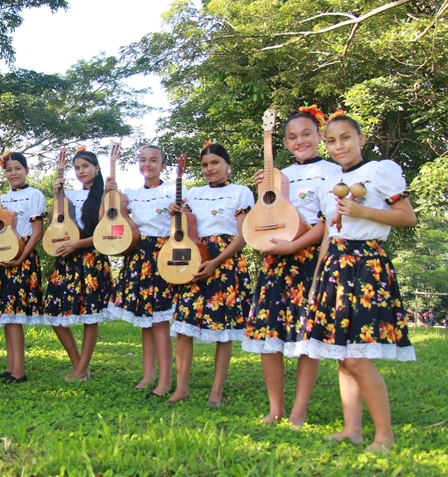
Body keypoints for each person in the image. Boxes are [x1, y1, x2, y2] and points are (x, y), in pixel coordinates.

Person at [302, 112, 416, 452]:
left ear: (361, 139)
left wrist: (364, 212)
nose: (339, 146)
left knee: (356, 356)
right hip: (335, 266)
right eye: (332, 141)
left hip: (365, 264)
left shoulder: (379, 171)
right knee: (341, 353)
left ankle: (385, 435)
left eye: (346, 138)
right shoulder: (329, 181)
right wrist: (317, 278)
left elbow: (407, 216)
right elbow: (328, 234)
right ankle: (352, 429)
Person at [242, 106, 342, 428]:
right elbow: (264, 218)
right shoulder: (278, 174)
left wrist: (295, 246)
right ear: (283, 142)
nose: (300, 141)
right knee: (268, 334)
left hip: (309, 259)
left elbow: (328, 222)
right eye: (292, 136)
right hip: (274, 261)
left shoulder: (332, 172)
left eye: (306, 134)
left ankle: (299, 411)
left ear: (319, 136)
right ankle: (276, 408)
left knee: (304, 339)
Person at [167, 142, 254, 407]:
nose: (210, 169)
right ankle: (181, 388)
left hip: (224, 261)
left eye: (215, 163)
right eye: (205, 165)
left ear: (227, 165)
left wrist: (216, 262)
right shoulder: (193, 193)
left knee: (223, 329)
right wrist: (174, 213)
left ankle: (216, 391)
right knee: (184, 326)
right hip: (194, 258)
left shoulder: (241, 193)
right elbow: (184, 229)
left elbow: (244, 235)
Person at [106, 145, 178, 396]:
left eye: (154, 160)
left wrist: (177, 212)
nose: (147, 164)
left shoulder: (173, 191)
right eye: (143, 160)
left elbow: (185, 223)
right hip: (137, 256)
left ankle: (166, 380)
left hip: (164, 255)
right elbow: (117, 227)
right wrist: (110, 197)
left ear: (163, 165)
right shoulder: (130, 194)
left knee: (160, 322)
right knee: (145, 322)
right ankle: (148, 375)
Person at [43, 147, 113, 382]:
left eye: (85, 166)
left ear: (97, 168)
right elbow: (56, 223)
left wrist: (78, 244)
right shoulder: (69, 195)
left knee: (89, 315)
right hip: (65, 259)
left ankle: (81, 370)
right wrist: (57, 195)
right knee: (53, 312)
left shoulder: (106, 195)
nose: (81, 171)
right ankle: (78, 366)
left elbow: (108, 234)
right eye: (77, 168)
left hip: (91, 259)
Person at [0, 152, 47, 383]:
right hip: (1, 258)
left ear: (27, 170)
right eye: (9, 169)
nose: (14, 173)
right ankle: (11, 366)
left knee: (15, 315)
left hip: (22, 258)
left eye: (18, 168)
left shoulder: (35, 195)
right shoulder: (0, 200)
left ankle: (19, 370)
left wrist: (21, 258)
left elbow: (37, 232)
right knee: (6, 315)